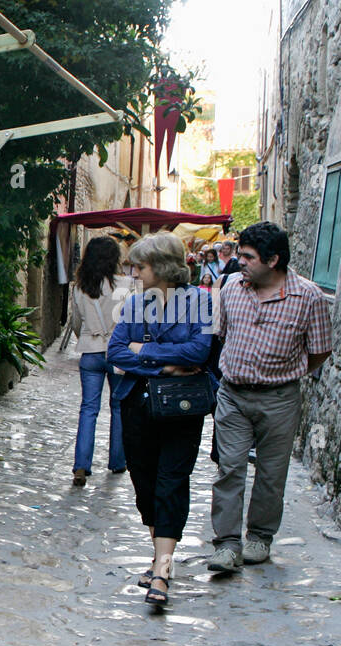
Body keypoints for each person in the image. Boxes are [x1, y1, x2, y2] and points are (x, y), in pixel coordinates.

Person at [207, 221, 333, 572]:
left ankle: (260, 537)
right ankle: (227, 545)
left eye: (247, 256)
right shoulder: (231, 287)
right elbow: (224, 333)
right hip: (232, 394)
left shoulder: (308, 297)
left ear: (273, 260)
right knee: (229, 468)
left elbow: (320, 351)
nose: (239, 261)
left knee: (271, 473)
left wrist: (284, 373)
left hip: (279, 399)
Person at [107, 232, 213, 606]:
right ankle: (159, 558)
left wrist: (145, 352)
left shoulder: (199, 300)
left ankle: (162, 571)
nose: (135, 272)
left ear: (163, 268)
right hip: (137, 405)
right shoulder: (135, 305)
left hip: (182, 409)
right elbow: (116, 351)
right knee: (146, 485)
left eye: (141, 266)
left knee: (172, 482)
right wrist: (168, 363)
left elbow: (201, 349)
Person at [70, 236, 128, 485]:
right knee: (118, 408)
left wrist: (86, 338)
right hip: (117, 352)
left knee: (88, 409)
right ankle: (117, 461)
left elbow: (75, 322)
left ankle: (81, 466)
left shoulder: (79, 286)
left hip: (90, 351)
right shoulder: (126, 285)